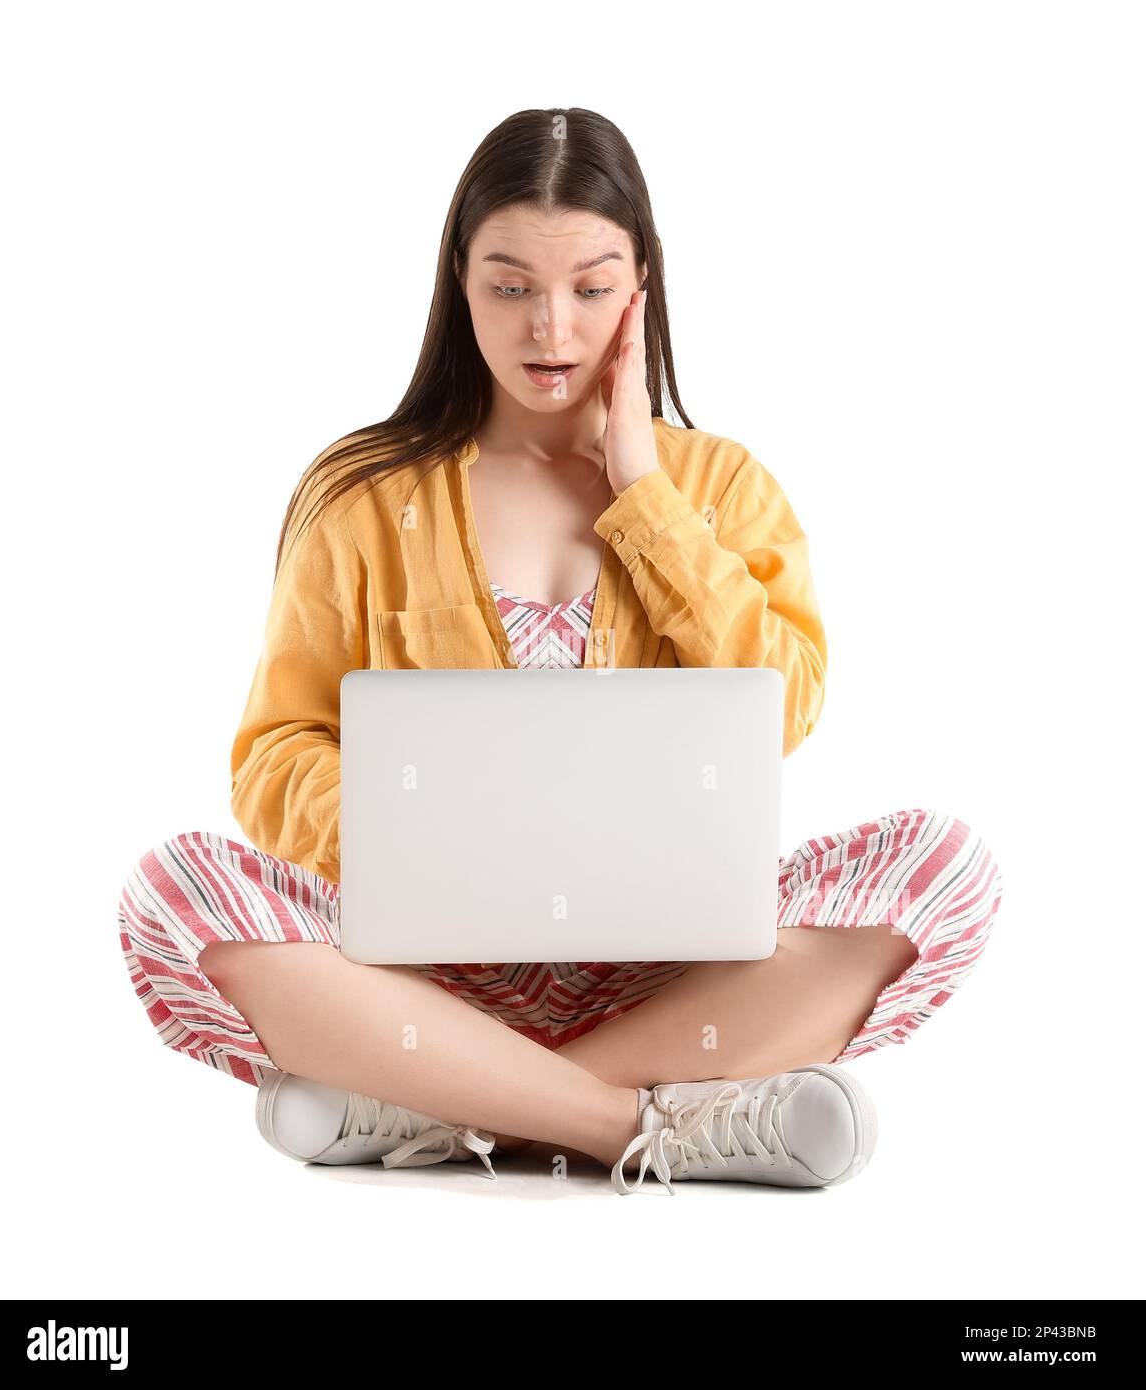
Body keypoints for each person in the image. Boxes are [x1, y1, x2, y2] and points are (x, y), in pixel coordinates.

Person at [117, 107, 1003, 1196]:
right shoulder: (359, 492)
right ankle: (635, 1123)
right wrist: (424, 840)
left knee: (945, 867)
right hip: (420, 972)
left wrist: (643, 490)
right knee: (171, 888)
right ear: (457, 281)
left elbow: (782, 706)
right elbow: (275, 751)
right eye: (508, 286)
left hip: (671, 972)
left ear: (642, 283)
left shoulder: (720, 486)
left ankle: (444, 1105)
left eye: (589, 288)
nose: (550, 329)